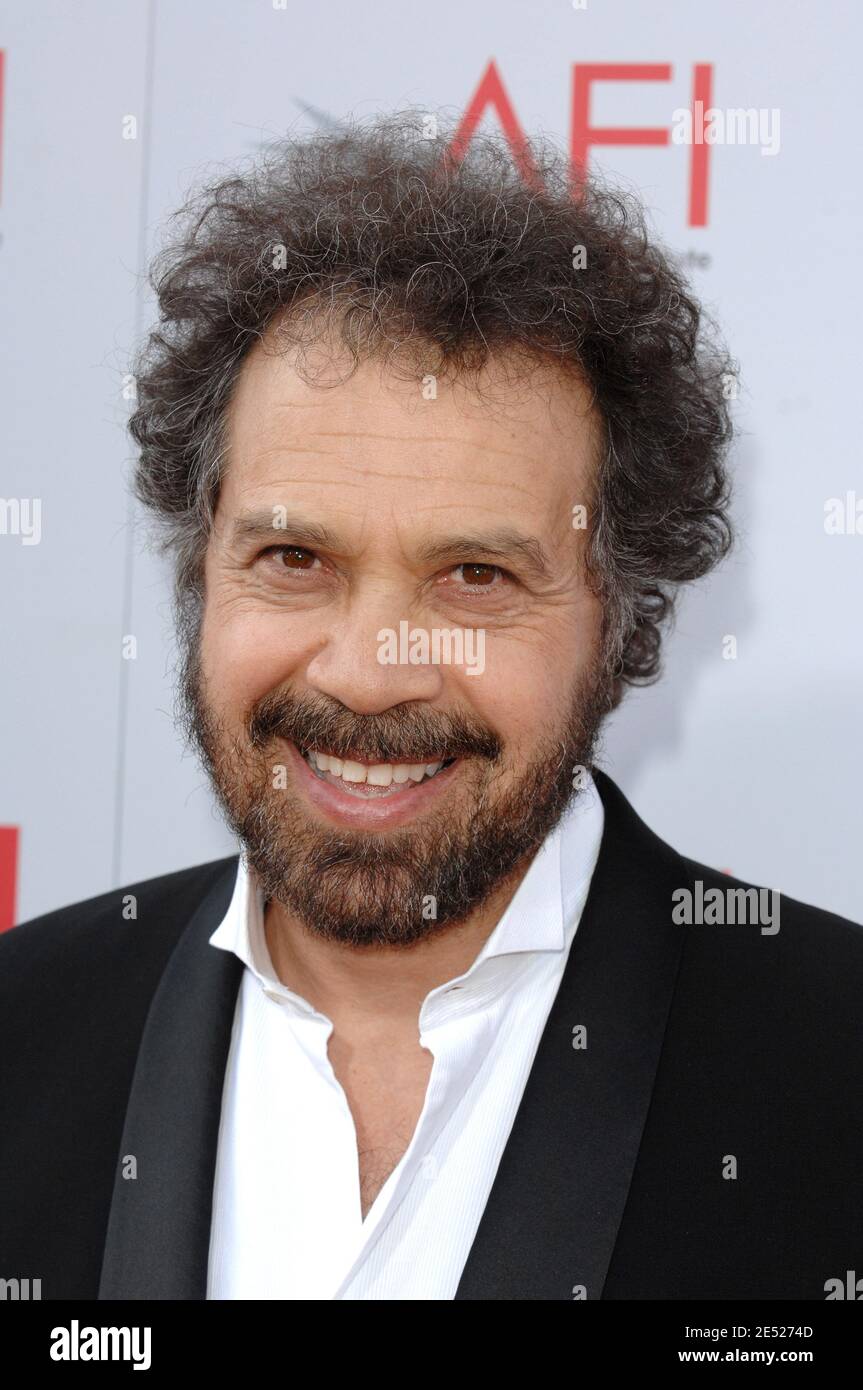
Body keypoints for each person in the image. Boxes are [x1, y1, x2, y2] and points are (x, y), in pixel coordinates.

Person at [2, 113, 861, 1302]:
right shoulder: (24, 1031)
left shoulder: (830, 1071)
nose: (365, 671)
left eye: (475, 577)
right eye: (296, 556)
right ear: (201, 569)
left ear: (613, 614)